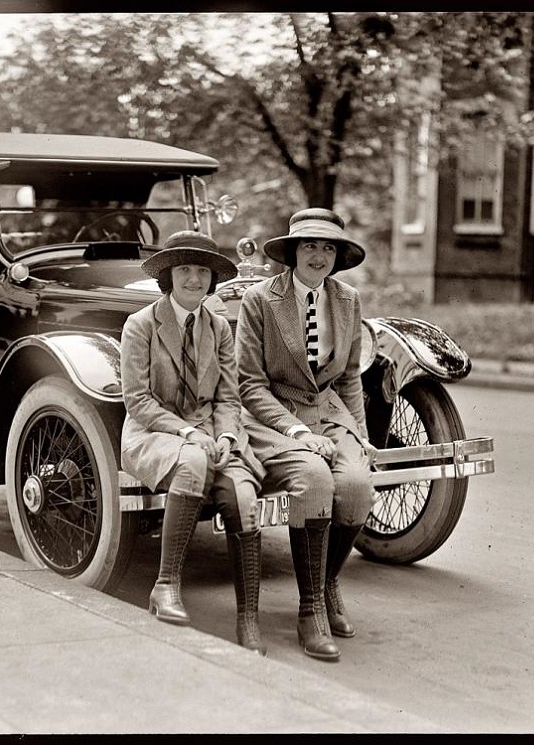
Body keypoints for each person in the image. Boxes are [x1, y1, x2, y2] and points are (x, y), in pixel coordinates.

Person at [235, 208, 377, 663]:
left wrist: (360, 434)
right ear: (293, 251)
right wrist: (295, 429)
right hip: (272, 415)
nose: (319, 256)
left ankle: (327, 581)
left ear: (338, 255)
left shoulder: (348, 299)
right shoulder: (260, 299)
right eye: (310, 246)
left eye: (328, 247)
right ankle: (310, 609)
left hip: (330, 412)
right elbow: (249, 385)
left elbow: (349, 377)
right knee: (314, 478)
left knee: (357, 485)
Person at [120, 230, 267, 656]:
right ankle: (165, 585)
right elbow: (138, 400)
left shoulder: (218, 327)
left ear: (212, 279)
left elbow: (228, 398)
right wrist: (187, 433)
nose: (194, 279)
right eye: (184, 269)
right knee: (192, 463)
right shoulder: (140, 325)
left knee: (242, 495)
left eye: (202, 271)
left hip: (209, 433)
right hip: (153, 433)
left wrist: (225, 436)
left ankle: (248, 618)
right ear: (168, 276)